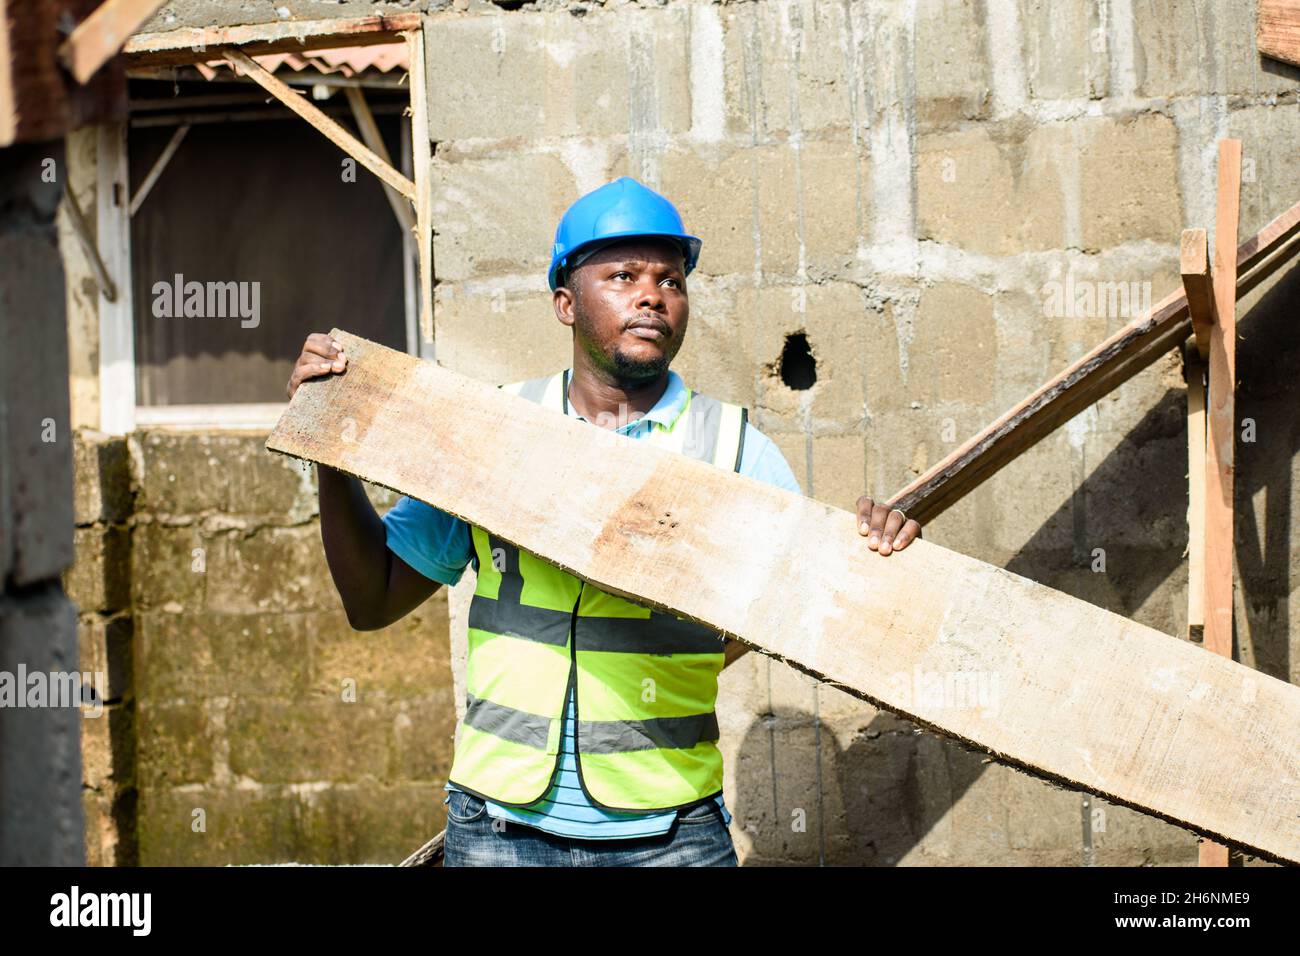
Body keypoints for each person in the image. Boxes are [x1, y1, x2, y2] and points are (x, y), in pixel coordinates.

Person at [286, 176, 922, 866]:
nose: (653, 294)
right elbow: (372, 598)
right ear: (566, 303)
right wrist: (331, 451)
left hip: (669, 835)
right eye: (623, 275)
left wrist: (877, 552)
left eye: (671, 281)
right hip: (498, 830)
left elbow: (823, 610)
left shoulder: (734, 451)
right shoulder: (493, 433)